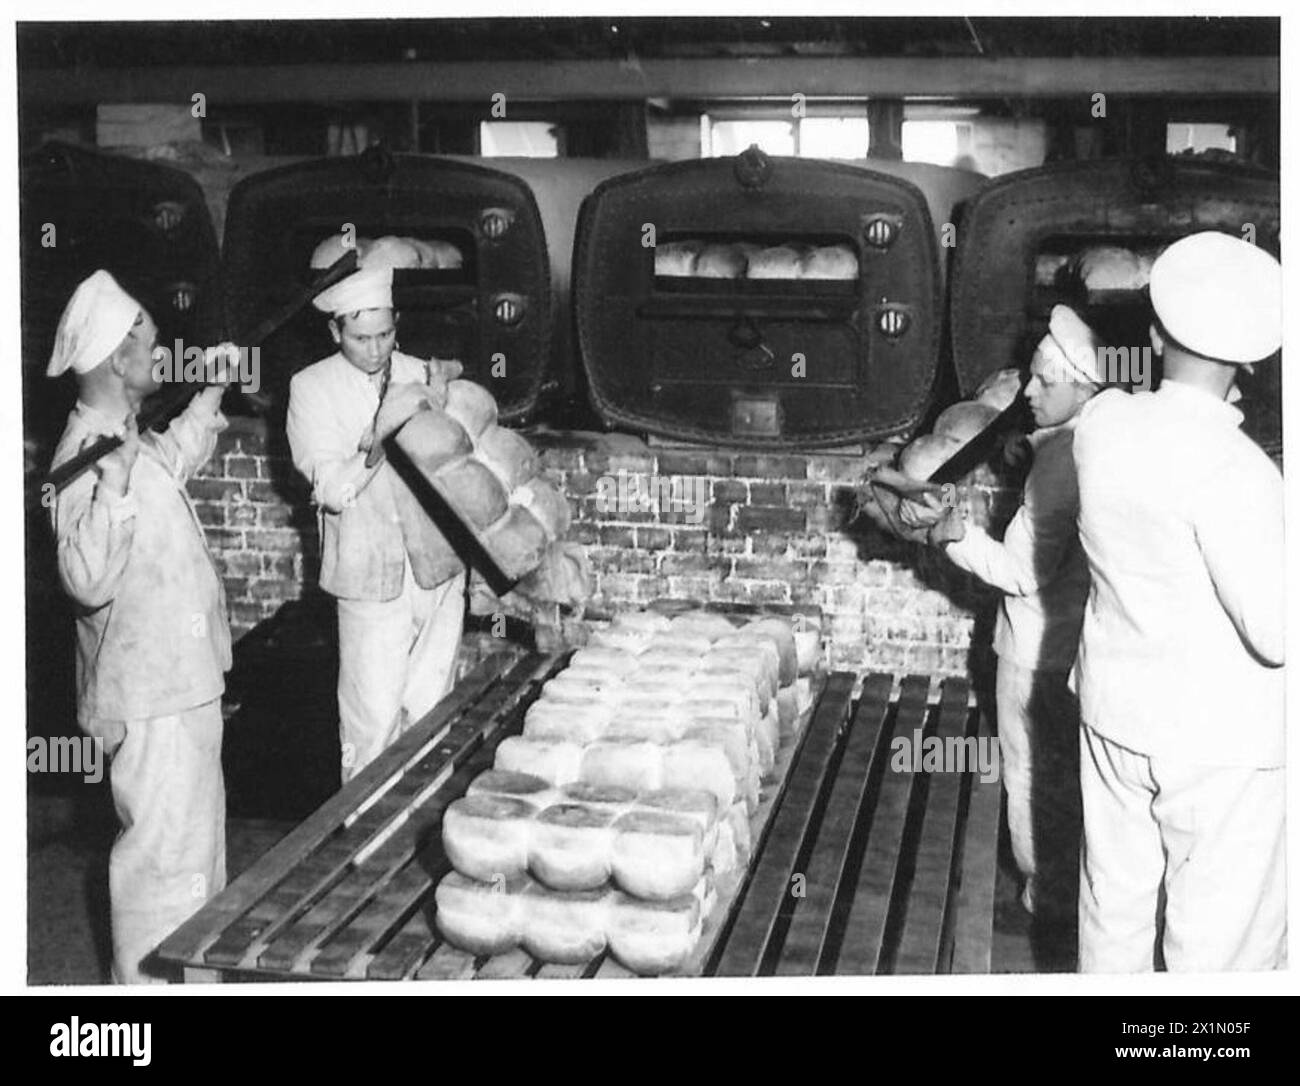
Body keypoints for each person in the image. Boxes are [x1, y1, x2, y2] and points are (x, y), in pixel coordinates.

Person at [1070, 231, 1284, 971]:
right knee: (1217, 950)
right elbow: (1277, 633)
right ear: (1254, 359)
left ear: (1155, 334)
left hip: (1114, 719)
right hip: (1217, 746)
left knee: (1113, 916)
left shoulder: (1100, 429)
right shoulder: (1240, 471)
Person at [46, 269, 236, 983]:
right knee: (162, 876)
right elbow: (85, 578)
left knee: (196, 867)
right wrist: (116, 483)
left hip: (179, 688)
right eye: (152, 348)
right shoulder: (81, 459)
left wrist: (211, 392)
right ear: (115, 358)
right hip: (148, 700)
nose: (162, 360)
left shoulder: (123, 438)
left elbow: (172, 460)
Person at [922, 305, 1106, 930]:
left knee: (1029, 772)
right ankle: (1062, 889)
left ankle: (1042, 898)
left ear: (1078, 385)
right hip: (1076, 647)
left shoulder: (1057, 470)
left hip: (1033, 652)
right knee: (1062, 771)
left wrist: (955, 537)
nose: (1027, 391)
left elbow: (1022, 572)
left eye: (1041, 383)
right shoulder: (1094, 435)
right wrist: (1028, 447)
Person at [286, 265, 467, 784]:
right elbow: (332, 491)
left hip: (435, 570)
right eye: (361, 337)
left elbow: (457, 467)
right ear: (334, 330)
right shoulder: (311, 389)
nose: (375, 349)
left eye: (386, 334)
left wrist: (449, 401)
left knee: (432, 711)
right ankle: (368, 851)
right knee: (371, 724)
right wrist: (379, 441)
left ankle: (422, 834)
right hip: (369, 576)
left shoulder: (418, 374)